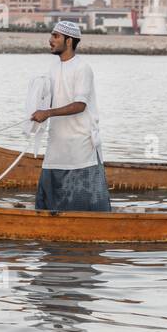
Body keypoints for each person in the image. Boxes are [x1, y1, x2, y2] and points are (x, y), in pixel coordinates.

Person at [28, 20, 110, 212]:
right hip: (57, 141)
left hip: (80, 144)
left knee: (85, 203)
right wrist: (36, 110)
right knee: (48, 200)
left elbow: (80, 105)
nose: (50, 40)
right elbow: (49, 99)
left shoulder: (83, 68)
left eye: (55, 36)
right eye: (51, 35)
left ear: (69, 41)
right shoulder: (53, 68)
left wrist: (47, 113)